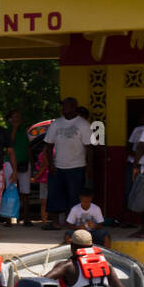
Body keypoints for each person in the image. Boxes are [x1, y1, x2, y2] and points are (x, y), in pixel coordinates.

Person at [43, 97, 92, 228]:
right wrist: (51, 164)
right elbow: (48, 145)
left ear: (74, 107)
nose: (63, 108)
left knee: (75, 196)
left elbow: (89, 147)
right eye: (62, 106)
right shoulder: (56, 124)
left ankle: (72, 223)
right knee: (54, 195)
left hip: (77, 166)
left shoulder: (83, 124)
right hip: (58, 166)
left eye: (66, 106)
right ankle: (55, 222)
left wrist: (89, 167)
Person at [8, 109, 33, 225]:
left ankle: (26, 218)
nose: (16, 119)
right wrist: (13, 129)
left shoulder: (24, 130)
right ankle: (9, 218)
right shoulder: (7, 130)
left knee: (25, 192)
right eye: (14, 117)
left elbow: (28, 147)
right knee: (10, 190)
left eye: (18, 117)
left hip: (24, 163)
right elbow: (10, 143)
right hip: (10, 164)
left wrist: (31, 163)